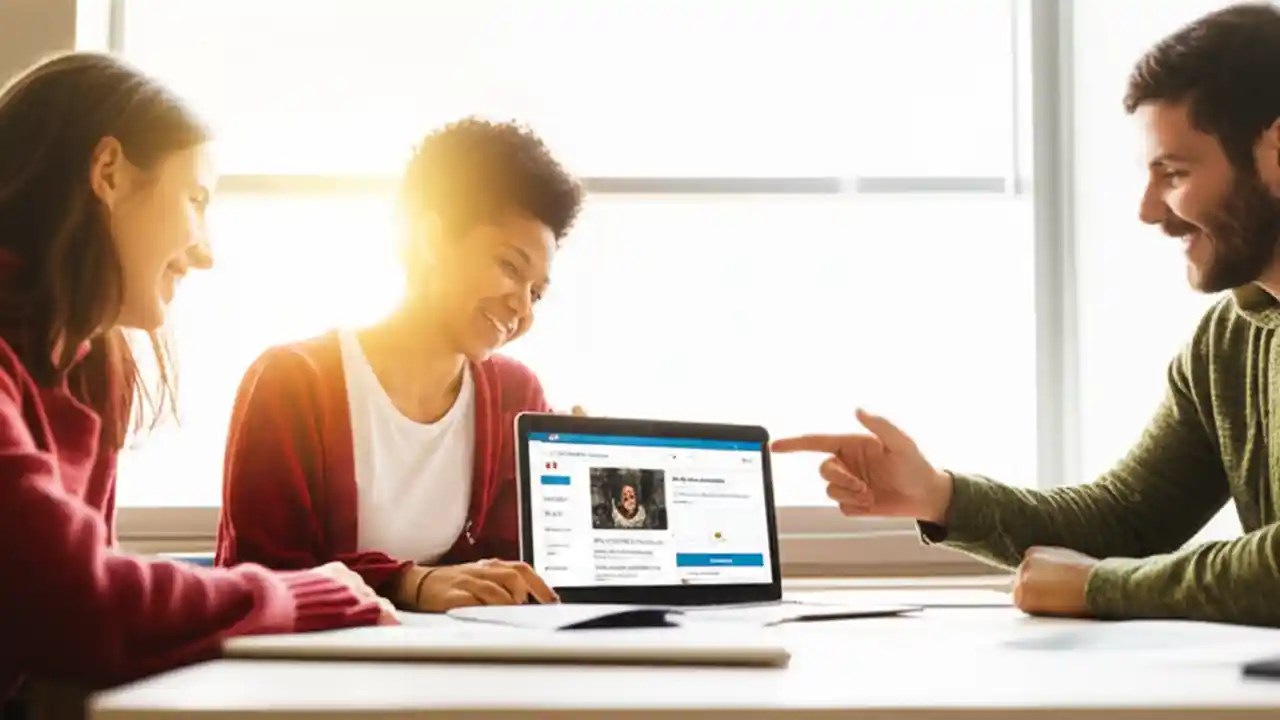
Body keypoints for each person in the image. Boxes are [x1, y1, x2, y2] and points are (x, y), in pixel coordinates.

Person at [774, 2, 1280, 628]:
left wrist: (1100, 588)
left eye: (1174, 173)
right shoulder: (1228, 342)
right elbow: (1127, 518)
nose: (1149, 210)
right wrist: (939, 496)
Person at [0, 53, 392, 711]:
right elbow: (80, 604)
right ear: (108, 174)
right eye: (196, 200)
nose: (206, 251)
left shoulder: (85, 371)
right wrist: (302, 592)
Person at [216, 118, 584, 613]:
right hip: (315, 674)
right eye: (510, 267)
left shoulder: (517, 397)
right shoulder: (292, 382)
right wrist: (408, 583)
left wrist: (569, 502)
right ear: (431, 239)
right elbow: (263, 572)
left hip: (460, 667)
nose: (522, 306)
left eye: (536, 292)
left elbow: (515, 574)